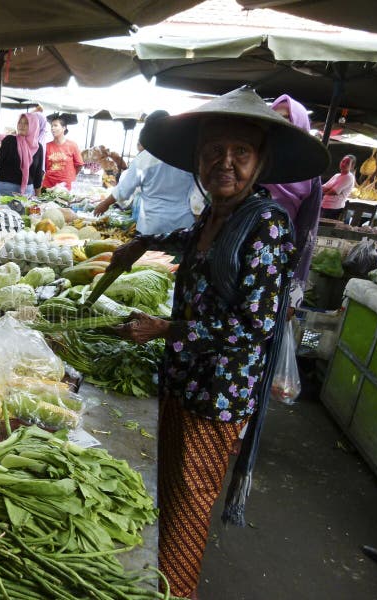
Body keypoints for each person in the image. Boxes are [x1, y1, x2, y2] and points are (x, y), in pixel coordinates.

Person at [105, 87, 329, 599]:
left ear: (261, 161)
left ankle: (175, 592)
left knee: (187, 508)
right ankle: (161, 584)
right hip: (183, 380)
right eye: (213, 152)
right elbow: (197, 246)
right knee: (171, 493)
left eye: (240, 153)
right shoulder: (216, 214)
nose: (224, 163)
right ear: (198, 160)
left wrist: (165, 329)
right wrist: (143, 243)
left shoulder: (268, 227)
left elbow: (253, 329)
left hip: (218, 396)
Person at [261, 94, 325, 311]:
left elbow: (306, 234)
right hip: (238, 258)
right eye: (274, 118)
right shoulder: (254, 162)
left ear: (300, 125)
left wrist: (293, 291)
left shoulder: (310, 176)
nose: (281, 125)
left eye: (288, 119)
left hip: (280, 264)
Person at [93, 110, 196, 235]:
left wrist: (104, 204)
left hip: (152, 225)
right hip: (183, 224)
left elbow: (124, 190)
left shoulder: (144, 158)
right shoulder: (188, 156)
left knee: (149, 254)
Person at [0, 112, 44, 197]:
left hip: (27, 193)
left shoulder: (38, 147)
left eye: (26, 123)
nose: (21, 125)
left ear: (34, 125)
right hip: (5, 190)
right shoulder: (9, 140)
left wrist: (38, 196)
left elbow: (38, 174)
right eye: (20, 122)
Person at [41, 115, 84, 191]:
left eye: (55, 126)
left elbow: (79, 165)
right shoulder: (46, 146)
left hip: (66, 187)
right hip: (49, 186)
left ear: (64, 128)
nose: (52, 128)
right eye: (51, 126)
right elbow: (43, 167)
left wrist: (70, 176)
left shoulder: (72, 145)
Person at [320, 154, 357, 220]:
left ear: (352, 166)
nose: (344, 164)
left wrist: (326, 190)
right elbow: (323, 187)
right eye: (343, 161)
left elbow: (334, 192)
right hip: (324, 205)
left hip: (334, 209)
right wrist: (326, 189)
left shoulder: (349, 177)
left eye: (347, 163)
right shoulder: (337, 175)